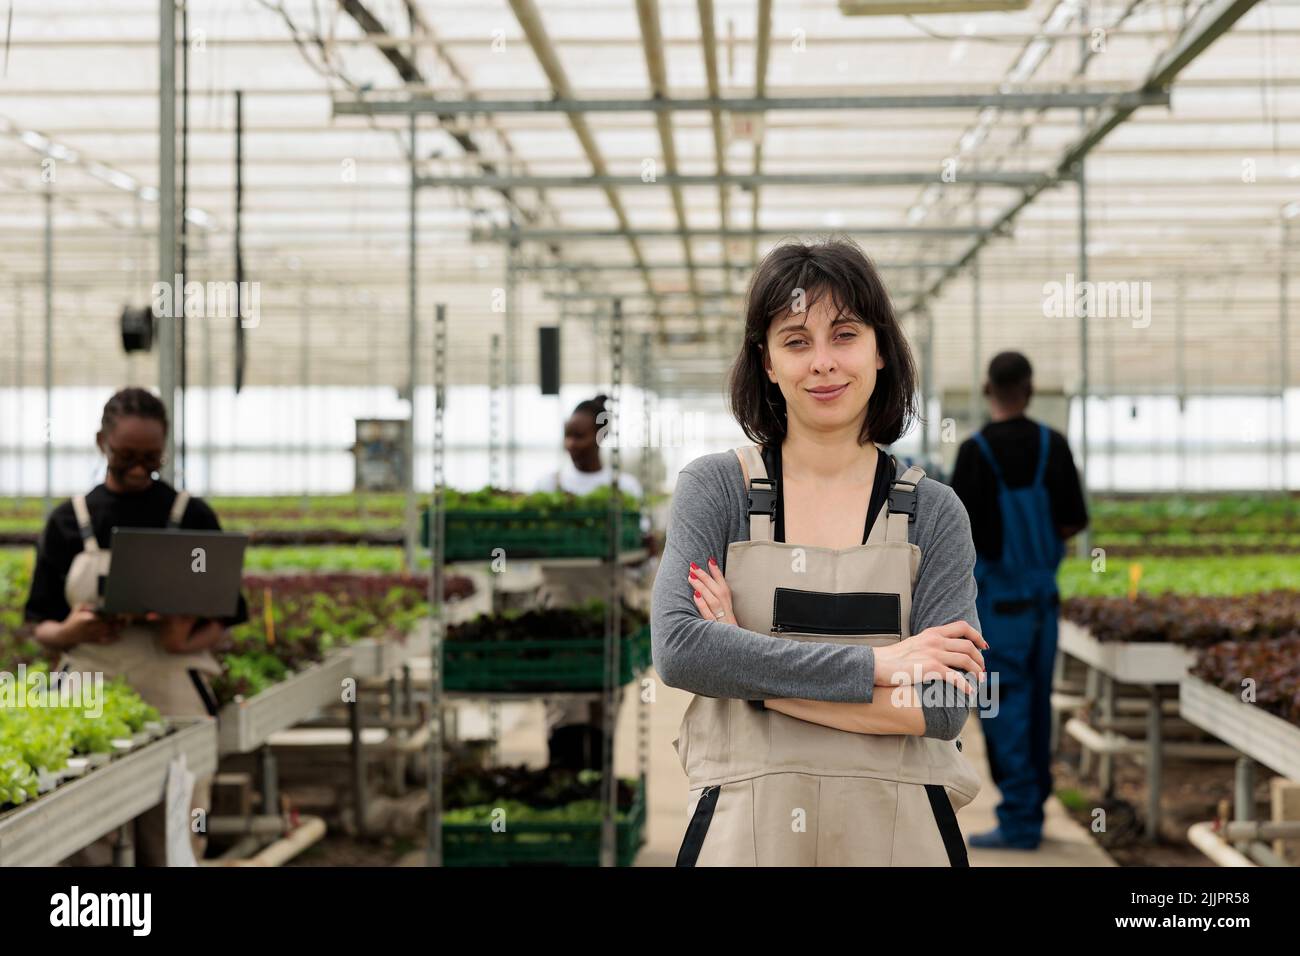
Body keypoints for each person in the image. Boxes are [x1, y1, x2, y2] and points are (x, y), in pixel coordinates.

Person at [651, 237, 988, 866]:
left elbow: (945, 707)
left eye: (845, 335)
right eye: (796, 341)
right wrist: (881, 668)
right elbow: (680, 651)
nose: (823, 363)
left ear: (881, 349)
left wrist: (751, 676)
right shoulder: (718, 489)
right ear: (769, 363)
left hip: (900, 837)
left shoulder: (935, 513)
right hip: (745, 838)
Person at [24, 386, 248, 866]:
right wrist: (70, 633)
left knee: (177, 825)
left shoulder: (190, 518)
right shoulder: (69, 521)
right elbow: (39, 622)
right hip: (87, 688)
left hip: (173, 688)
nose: (139, 466)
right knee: (85, 827)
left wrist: (183, 637)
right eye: (126, 453)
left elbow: (227, 616)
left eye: (152, 456)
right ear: (100, 441)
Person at [949, 351, 1088, 851]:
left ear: (989, 391)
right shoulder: (1055, 446)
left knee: (1003, 709)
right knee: (1036, 710)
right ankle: (1030, 810)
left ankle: (1020, 820)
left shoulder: (974, 452)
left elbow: (957, 532)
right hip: (1043, 607)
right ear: (1029, 391)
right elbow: (1072, 520)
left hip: (997, 609)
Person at [533, 394, 643, 770]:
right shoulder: (547, 487)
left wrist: (648, 550)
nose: (570, 445)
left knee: (603, 709)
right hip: (558, 616)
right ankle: (564, 788)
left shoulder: (623, 489)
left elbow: (638, 567)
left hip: (606, 615)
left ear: (600, 435)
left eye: (578, 436)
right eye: (566, 435)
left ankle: (599, 802)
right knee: (563, 707)